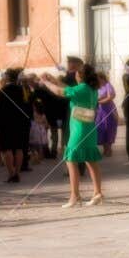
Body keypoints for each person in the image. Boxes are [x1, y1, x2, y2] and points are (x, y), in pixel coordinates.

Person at [42, 64, 104, 207]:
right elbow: (66, 88)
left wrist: (46, 83)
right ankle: (97, 192)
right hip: (89, 128)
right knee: (91, 161)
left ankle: (75, 196)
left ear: (80, 76)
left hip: (79, 129)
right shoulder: (91, 89)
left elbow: (60, 91)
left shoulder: (81, 89)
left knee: (71, 160)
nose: (75, 75)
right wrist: (54, 80)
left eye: (76, 73)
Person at [0, 68, 33, 182]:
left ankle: (11, 173)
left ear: (7, 77)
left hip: (6, 123)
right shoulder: (22, 90)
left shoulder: (1, 91)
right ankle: (17, 173)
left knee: (7, 148)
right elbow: (26, 105)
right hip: (20, 122)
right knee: (19, 148)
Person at [94, 70, 118, 158]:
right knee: (101, 129)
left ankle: (109, 149)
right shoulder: (97, 87)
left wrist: (99, 101)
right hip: (99, 111)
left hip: (108, 110)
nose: (97, 80)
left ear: (101, 78)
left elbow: (111, 96)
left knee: (109, 128)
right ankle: (105, 149)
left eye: (98, 78)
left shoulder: (108, 85)